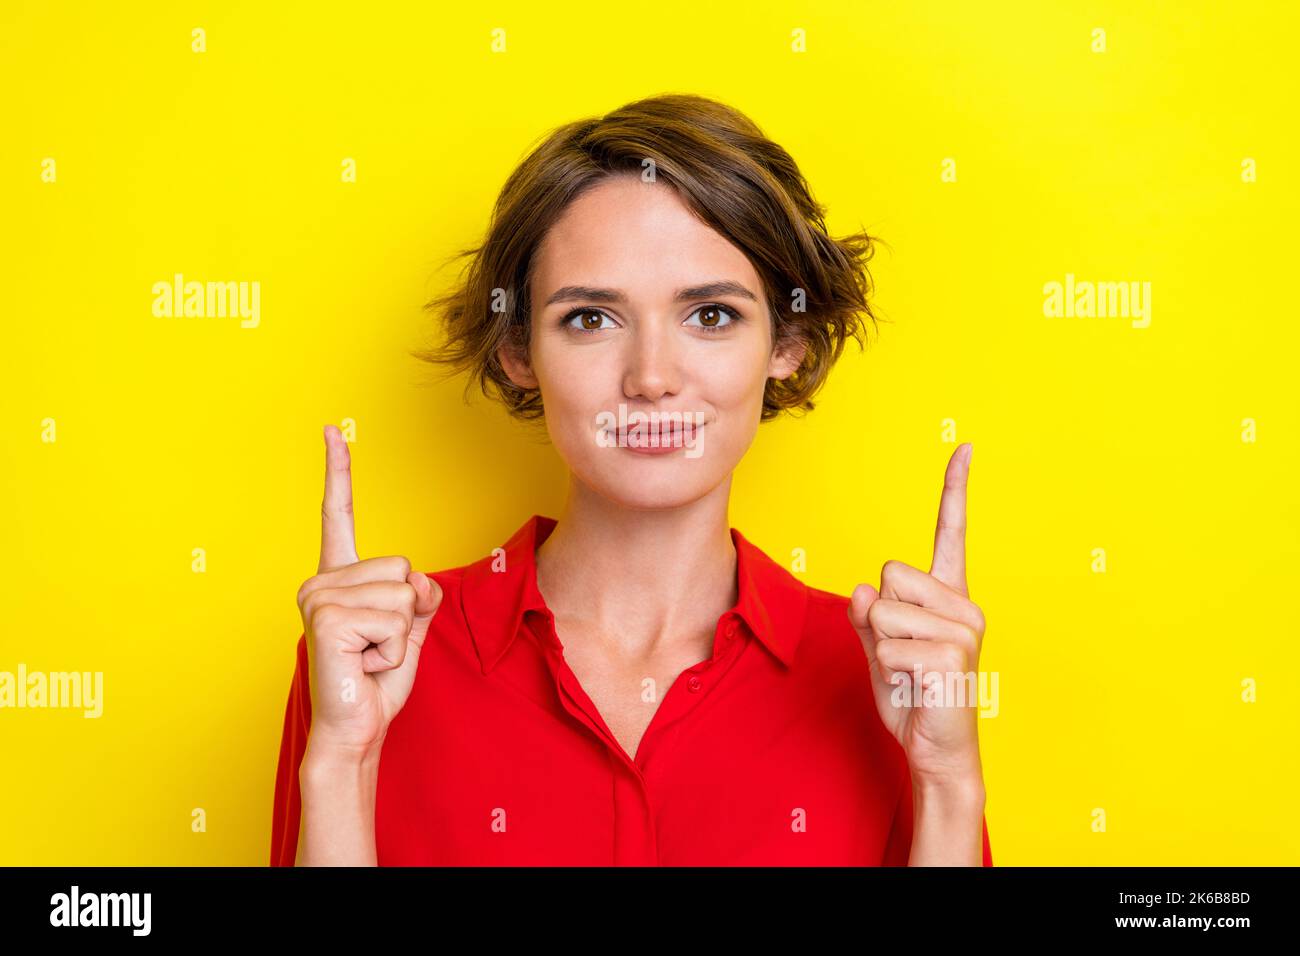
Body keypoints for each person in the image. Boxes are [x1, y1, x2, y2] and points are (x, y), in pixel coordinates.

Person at [271, 93, 992, 866]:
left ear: (787, 341)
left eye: (711, 315)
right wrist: (344, 761)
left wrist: (947, 780)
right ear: (519, 350)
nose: (651, 378)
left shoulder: (887, 675)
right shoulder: (378, 659)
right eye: (590, 318)